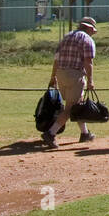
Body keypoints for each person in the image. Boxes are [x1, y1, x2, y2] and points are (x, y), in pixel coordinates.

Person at [44, 16, 98, 148]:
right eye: (93, 30)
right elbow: (88, 62)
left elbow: (56, 59)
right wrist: (90, 80)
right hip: (75, 74)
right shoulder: (86, 39)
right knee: (70, 108)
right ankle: (50, 133)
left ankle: (85, 133)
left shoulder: (66, 37)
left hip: (61, 73)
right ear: (89, 28)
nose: (93, 33)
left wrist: (53, 77)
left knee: (77, 103)